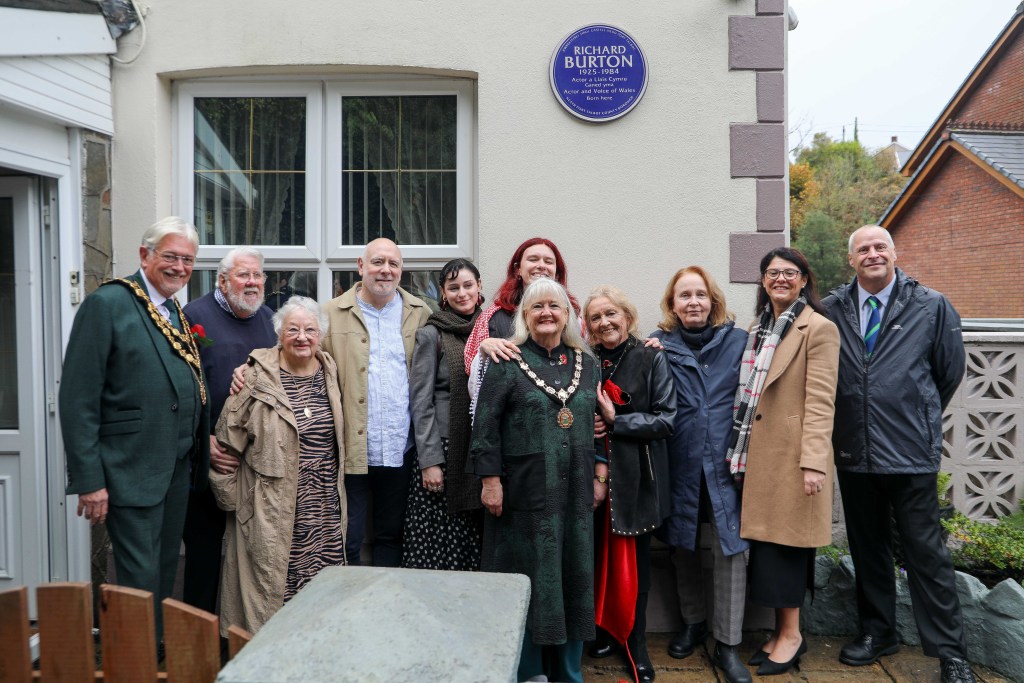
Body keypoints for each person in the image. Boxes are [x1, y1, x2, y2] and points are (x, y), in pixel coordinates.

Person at [824, 226, 974, 683]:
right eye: (862, 249)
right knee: (868, 550)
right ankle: (878, 633)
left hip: (911, 453)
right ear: (850, 260)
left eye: (879, 247)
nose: (871, 254)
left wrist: (913, 414)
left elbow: (949, 373)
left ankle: (951, 654)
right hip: (854, 450)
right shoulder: (831, 309)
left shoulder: (931, 305)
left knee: (926, 554)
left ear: (893, 253)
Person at [60, 216, 211, 640]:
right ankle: (132, 656)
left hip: (175, 466)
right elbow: (78, 399)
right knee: (137, 576)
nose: (180, 267)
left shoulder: (172, 309)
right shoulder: (108, 304)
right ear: (145, 255)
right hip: (131, 467)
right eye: (171, 257)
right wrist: (90, 480)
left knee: (163, 568)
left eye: (188, 260)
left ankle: (154, 649)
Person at [469, 278, 600, 683]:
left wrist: (600, 473)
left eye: (555, 307)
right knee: (527, 580)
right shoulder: (507, 360)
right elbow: (484, 428)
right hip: (523, 497)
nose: (547, 313)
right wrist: (490, 481)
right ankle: (526, 673)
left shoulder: (587, 363)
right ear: (524, 315)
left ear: (567, 315)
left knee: (572, 578)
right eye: (537, 307)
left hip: (575, 496)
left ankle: (567, 673)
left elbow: (596, 426)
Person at [727, 247, 839, 676]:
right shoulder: (759, 327)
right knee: (770, 548)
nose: (780, 279)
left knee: (788, 547)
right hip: (758, 455)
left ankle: (792, 636)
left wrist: (814, 462)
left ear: (804, 280)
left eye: (790, 273)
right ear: (763, 280)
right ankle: (780, 632)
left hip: (792, 458)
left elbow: (821, 401)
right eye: (772, 272)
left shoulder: (819, 328)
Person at [210, 296, 346, 635]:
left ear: (321, 335)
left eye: (310, 330)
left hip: (324, 508)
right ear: (279, 334)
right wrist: (236, 505)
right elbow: (227, 442)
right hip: (273, 508)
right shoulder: (256, 379)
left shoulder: (329, 370)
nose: (302, 337)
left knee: (320, 593)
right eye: (293, 329)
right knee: (273, 591)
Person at [651, 267, 752, 683]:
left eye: (700, 294)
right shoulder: (660, 347)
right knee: (683, 543)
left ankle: (727, 644)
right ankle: (692, 624)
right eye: (684, 296)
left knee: (732, 548)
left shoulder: (740, 343)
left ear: (713, 301)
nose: (693, 302)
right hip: (681, 462)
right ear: (672, 305)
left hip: (728, 465)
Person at [584, 285, 675, 683]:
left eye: (610, 314)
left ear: (627, 317)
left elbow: (667, 420)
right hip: (590, 481)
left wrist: (618, 421)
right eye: (595, 318)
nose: (604, 322)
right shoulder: (583, 363)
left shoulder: (651, 357)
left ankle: (636, 647)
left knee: (633, 571)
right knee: (595, 563)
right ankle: (604, 635)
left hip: (637, 480)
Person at [323, 238, 431, 565]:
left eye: (393, 264)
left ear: (401, 271)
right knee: (348, 537)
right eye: (377, 262)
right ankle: (349, 610)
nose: (385, 270)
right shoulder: (329, 313)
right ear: (360, 266)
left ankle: (384, 609)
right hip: (351, 449)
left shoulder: (420, 312)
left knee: (391, 536)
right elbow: (296, 357)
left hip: (401, 447)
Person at [181, 247, 276, 614]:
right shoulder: (193, 317)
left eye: (258, 276)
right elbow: (182, 387)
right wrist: (202, 440)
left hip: (254, 462)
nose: (252, 283)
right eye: (243, 275)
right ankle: (198, 640)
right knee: (204, 554)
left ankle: (238, 635)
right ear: (223, 280)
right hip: (209, 458)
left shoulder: (269, 319)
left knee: (250, 554)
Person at [403, 259, 485, 570]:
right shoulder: (431, 334)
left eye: (468, 285)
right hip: (444, 452)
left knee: (475, 540)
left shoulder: (494, 330)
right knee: (441, 544)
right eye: (454, 287)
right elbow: (420, 402)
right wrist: (430, 462)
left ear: (479, 288)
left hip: (479, 451)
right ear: (443, 293)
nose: (462, 293)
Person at [463, 237, 578, 370]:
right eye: (533, 259)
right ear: (518, 269)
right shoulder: (493, 318)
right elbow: (473, 373)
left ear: (557, 273)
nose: (541, 265)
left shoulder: (573, 317)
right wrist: (484, 349)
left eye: (548, 261)